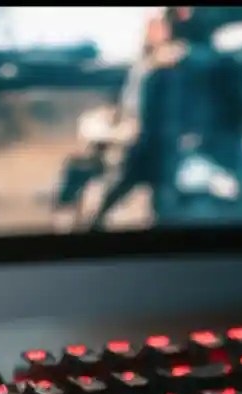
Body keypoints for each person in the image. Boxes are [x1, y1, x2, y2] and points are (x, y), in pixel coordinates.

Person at [86, 7, 205, 231]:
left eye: (161, 26)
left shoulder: (179, 62)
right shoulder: (145, 65)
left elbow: (183, 103)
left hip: (164, 145)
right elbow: (132, 102)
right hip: (139, 142)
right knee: (115, 192)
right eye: (155, 27)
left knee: (163, 205)